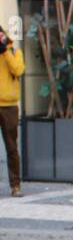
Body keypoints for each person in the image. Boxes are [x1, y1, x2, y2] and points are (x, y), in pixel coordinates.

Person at [0, 25, 25, 197]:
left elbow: (18, 69)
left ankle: (15, 185)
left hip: (8, 105)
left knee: (11, 148)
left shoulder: (14, 50)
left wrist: (4, 52)